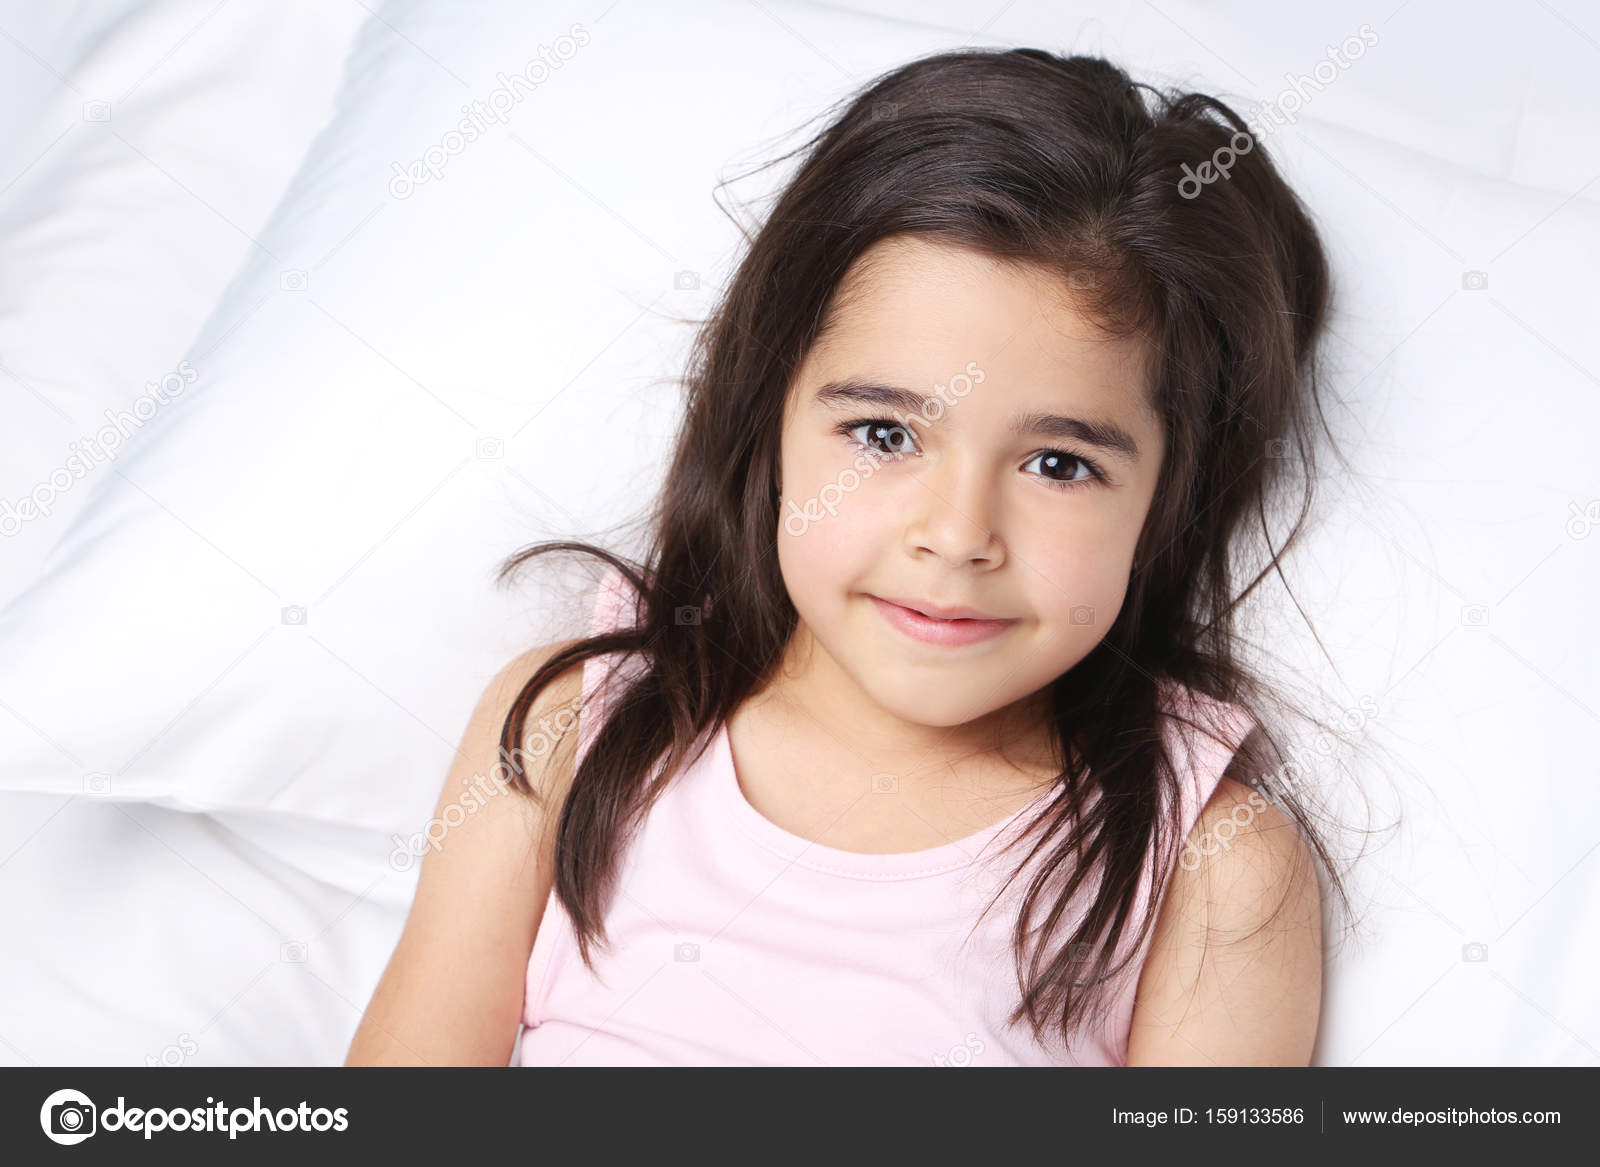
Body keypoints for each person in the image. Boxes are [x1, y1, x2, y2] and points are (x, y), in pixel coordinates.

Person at [348, 46, 1344, 1067]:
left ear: (1169, 499)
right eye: (884, 434)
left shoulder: (1213, 870)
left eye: (1058, 463)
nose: (956, 535)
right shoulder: (572, 730)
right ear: (768, 416)